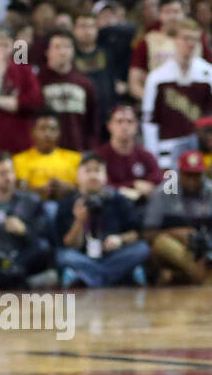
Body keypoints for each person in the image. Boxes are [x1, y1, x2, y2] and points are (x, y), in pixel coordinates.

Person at [143, 149, 212, 285]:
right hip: (174, 251)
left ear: (204, 174)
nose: (192, 180)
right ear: (179, 173)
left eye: (196, 175)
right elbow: (147, 235)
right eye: (188, 175)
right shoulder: (162, 194)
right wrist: (176, 234)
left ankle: (179, 277)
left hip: (206, 251)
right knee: (162, 243)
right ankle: (206, 277)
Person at [54, 153, 150, 288]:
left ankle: (87, 278)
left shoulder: (119, 200)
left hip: (114, 255)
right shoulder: (67, 203)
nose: (93, 175)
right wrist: (79, 221)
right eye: (87, 171)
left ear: (105, 176)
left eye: (98, 170)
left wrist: (120, 239)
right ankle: (119, 278)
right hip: (83, 257)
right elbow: (68, 245)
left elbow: (136, 233)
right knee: (64, 256)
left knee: (142, 249)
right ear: (77, 176)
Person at [142, 20, 212, 165]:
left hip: (201, 152)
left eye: (194, 39)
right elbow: (149, 120)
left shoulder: (210, 74)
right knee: (170, 188)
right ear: (174, 40)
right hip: (167, 151)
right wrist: (152, 155)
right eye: (186, 38)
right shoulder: (157, 77)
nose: (190, 44)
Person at [0, 151, 53, 288]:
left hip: (20, 256)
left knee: (43, 247)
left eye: (10, 172)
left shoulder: (31, 201)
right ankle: (4, 276)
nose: (8, 178)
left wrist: (24, 230)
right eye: (2, 173)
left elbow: (45, 237)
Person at [0, 27, 43, 153]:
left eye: (5, 44)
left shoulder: (25, 71)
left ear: (13, 46)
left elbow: (34, 101)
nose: (1, 48)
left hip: (22, 144)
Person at [38, 31, 102, 152]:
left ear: (73, 51)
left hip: (76, 150)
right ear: (47, 52)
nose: (62, 52)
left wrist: (90, 149)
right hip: (44, 153)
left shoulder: (85, 83)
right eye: (57, 47)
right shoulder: (37, 81)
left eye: (67, 46)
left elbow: (93, 123)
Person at [94, 102, 163, 200]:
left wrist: (149, 187)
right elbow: (101, 184)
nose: (125, 126)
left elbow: (157, 179)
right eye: (119, 121)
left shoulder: (145, 155)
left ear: (136, 127)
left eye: (129, 122)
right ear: (109, 126)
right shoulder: (99, 155)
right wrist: (133, 185)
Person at [12, 113, 81, 203]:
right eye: (42, 129)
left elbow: (86, 187)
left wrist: (69, 188)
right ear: (32, 132)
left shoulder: (76, 158)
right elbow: (19, 190)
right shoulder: (19, 160)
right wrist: (38, 191)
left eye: (52, 129)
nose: (48, 134)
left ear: (59, 132)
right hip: (33, 206)